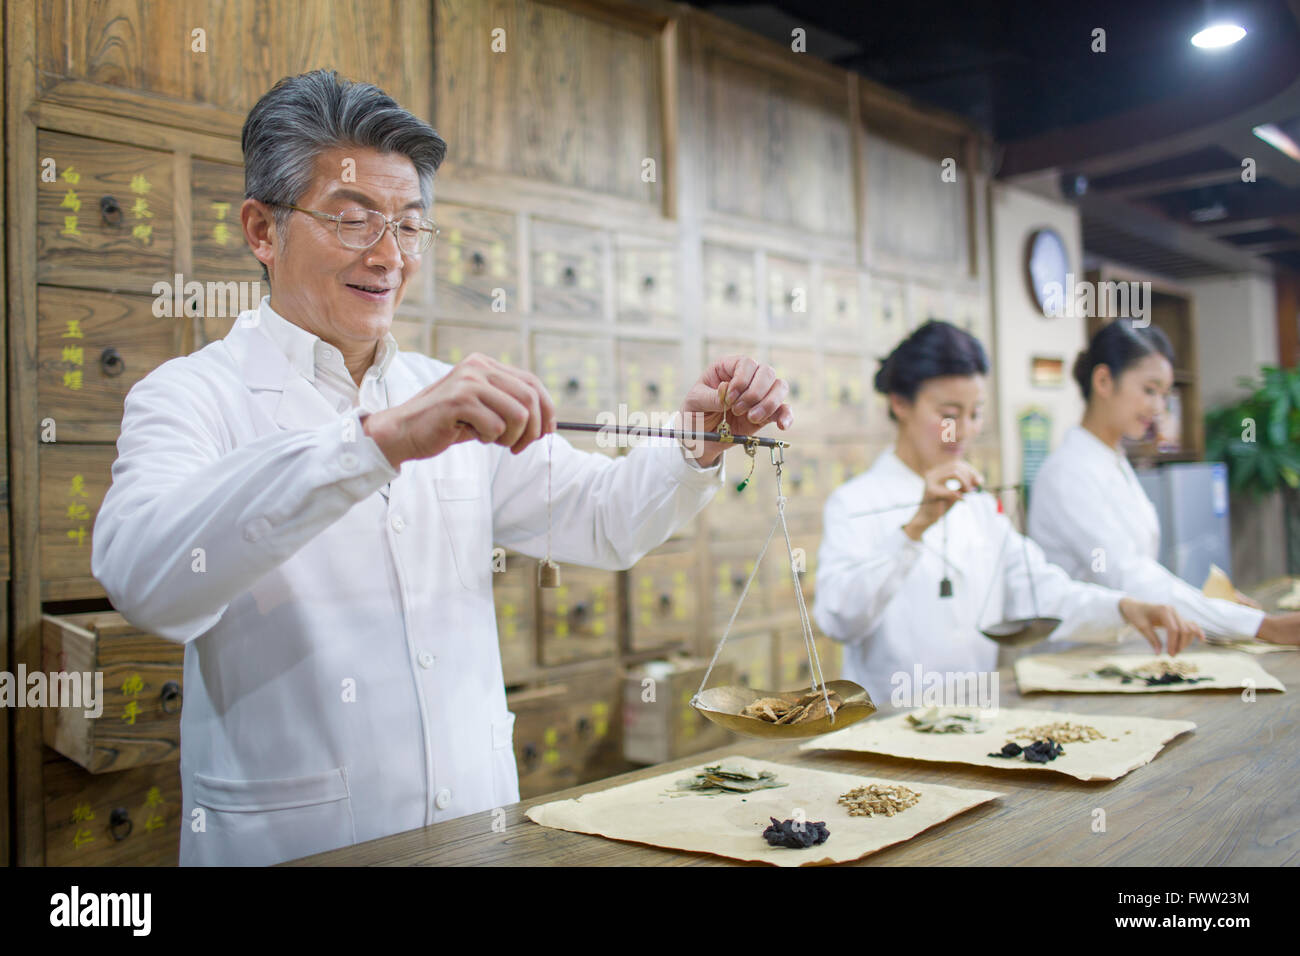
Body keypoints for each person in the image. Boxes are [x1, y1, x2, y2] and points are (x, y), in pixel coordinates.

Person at [90, 70, 794, 866]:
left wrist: (697, 439)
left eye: (410, 226)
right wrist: (375, 441)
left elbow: (599, 519)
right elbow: (146, 578)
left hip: (474, 834)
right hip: (297, 844)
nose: (388, 256)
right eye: (353, 221)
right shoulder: (191, 395)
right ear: (262, 229)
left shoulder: (437, 387)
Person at [812, 321, 1203, 708]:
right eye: (949, 413)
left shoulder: (977, 504)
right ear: (900, 403)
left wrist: (1122, 607)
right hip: (887, 733)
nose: (964, 431)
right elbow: (838, 619)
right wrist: (913, 531)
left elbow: (1043, 592)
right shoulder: (854, 503)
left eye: (976, 413)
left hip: (976, 722)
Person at [1028, 320, 1300, 645]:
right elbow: (1128, 577)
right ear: (1103, 380)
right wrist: (1261, 626)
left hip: (1123, 648)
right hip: (1077, 659)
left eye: (1164, 394)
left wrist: (1210, 608)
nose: (1158, 407)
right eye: (1149, 390)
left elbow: (1143, 573)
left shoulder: (1112, 461)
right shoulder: (1068, 473)